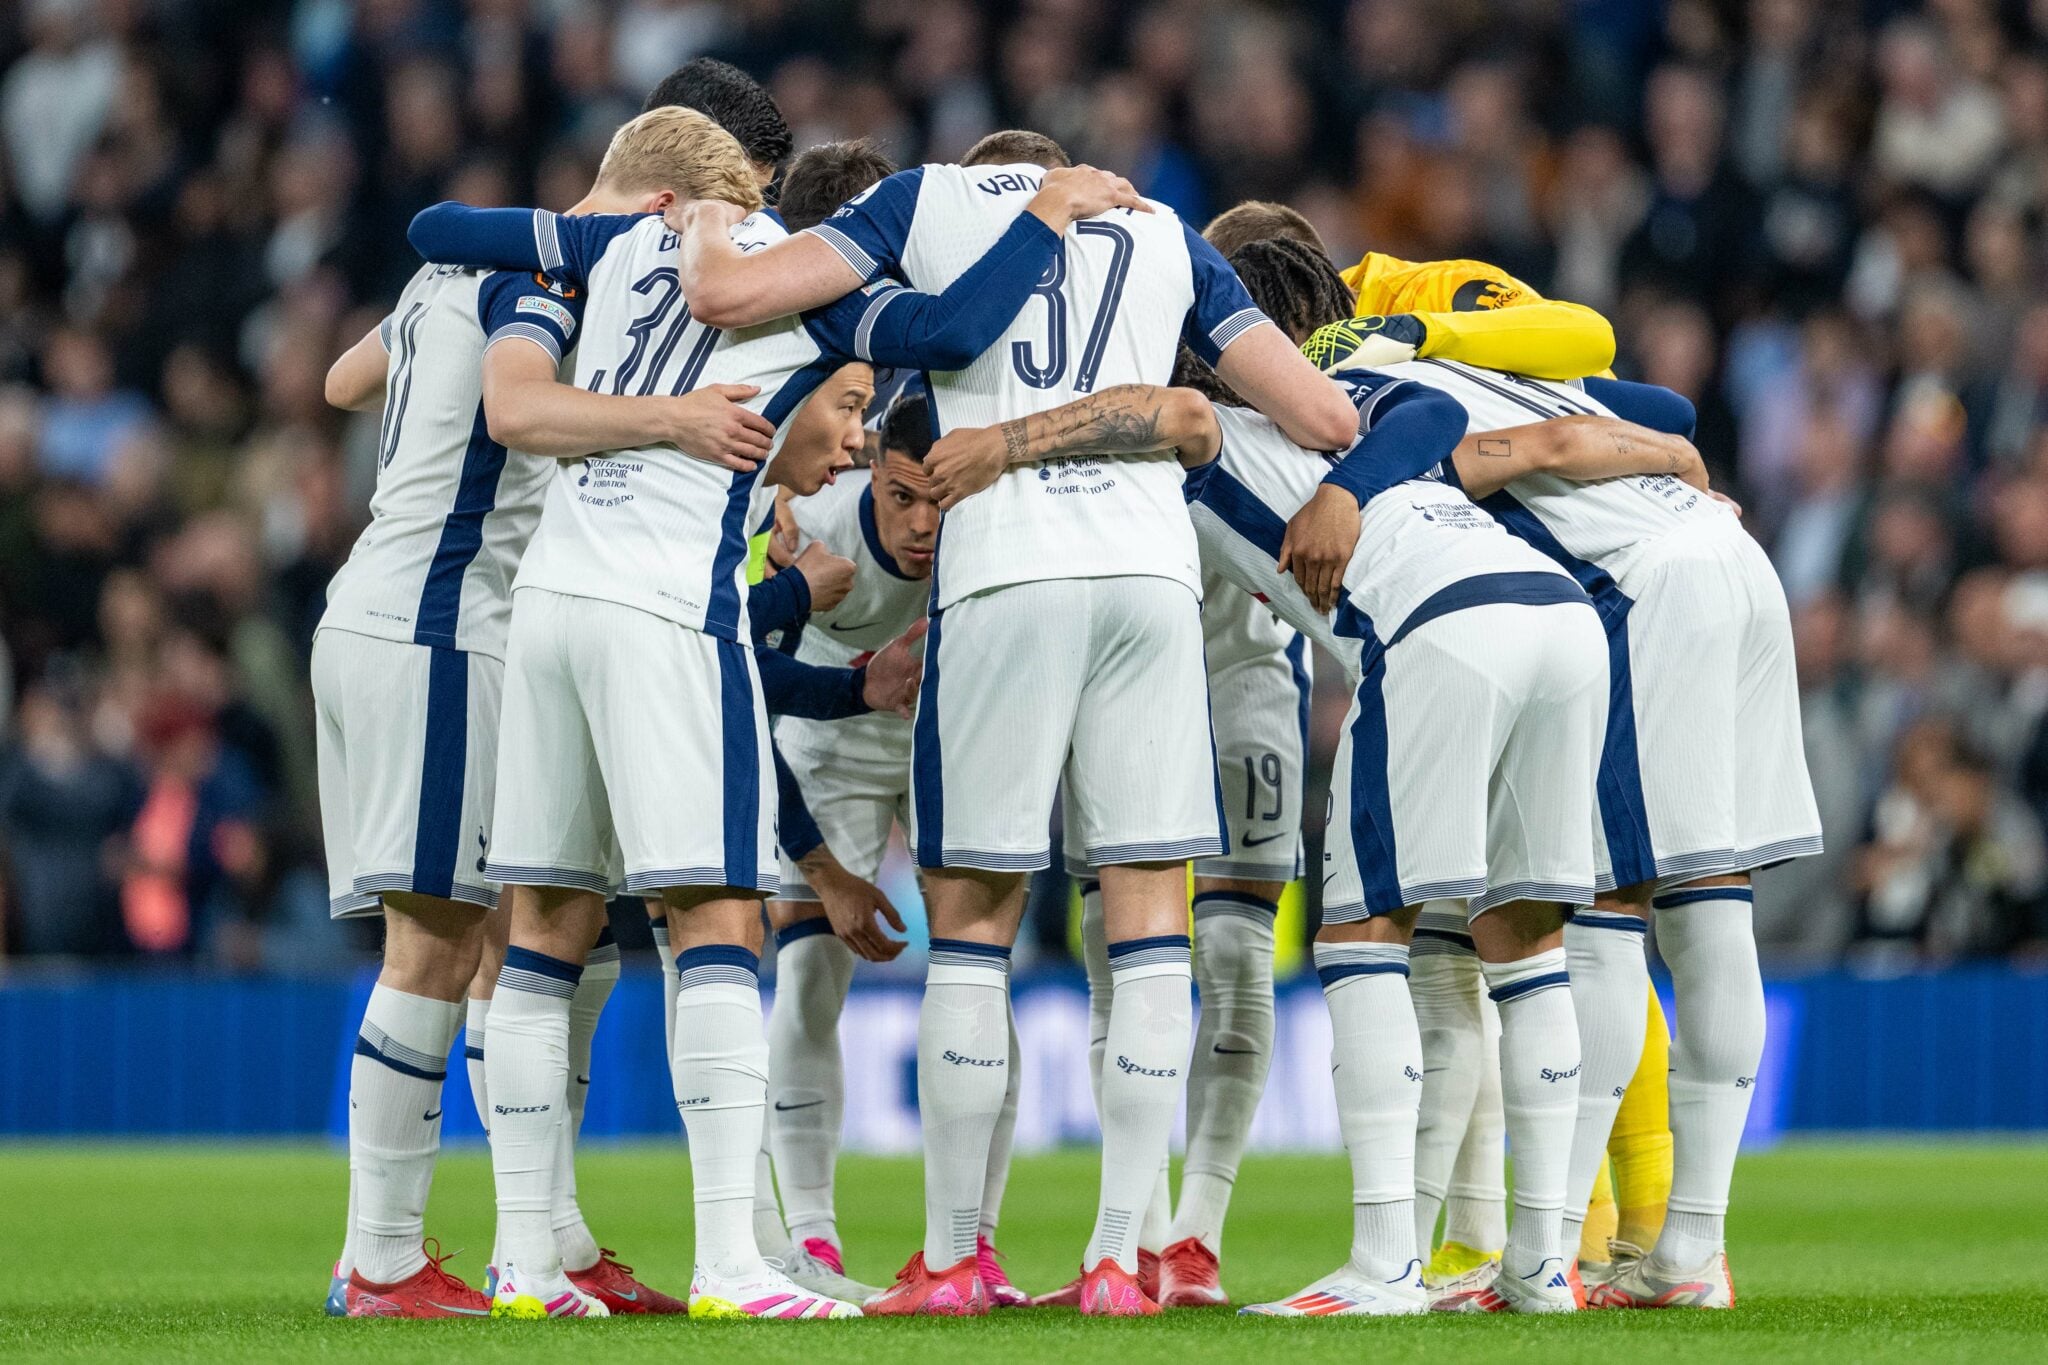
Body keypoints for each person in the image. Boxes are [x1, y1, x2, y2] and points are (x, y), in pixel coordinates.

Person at [405, 110, 1145, 1319]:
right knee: (717, 925)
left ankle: (528, 1267)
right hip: (662, 607)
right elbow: (956, 327)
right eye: (850, 408)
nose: (853, 429)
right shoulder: (805, 288)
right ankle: (731, 1268)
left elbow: (439, 225)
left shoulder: (617, 249)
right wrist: (1045, 215)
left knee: (540, 932)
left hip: (547, 606)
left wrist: (653, 219)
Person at [922, 240, 1708, 1317]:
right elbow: (1482, 437)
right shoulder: (1364, 404)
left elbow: (1180, 422)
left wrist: (1001, 443)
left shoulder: (1195, 440)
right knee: (1526, 948)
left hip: (1433, 633)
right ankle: (1538, 1268)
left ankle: (1382, 1264)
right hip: (1559, 623)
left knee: (1357, 941)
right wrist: (1658, 452)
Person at [666, 128, 1356, 1316]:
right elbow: (1322, 414)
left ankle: (948, 1262)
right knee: (1146, 917)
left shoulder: (913, 202)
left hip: (1004, 580)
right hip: (1147, 579)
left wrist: (696, 219)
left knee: (973, 925)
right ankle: (1118, 1259)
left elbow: (727, 293)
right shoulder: (1161, 232)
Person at [313, 110, 774, 1318]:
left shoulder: (450, 273)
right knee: (436, 947)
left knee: (489, 933)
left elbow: (341, 380)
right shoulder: (555, 270)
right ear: (663, 206)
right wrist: (674, 416)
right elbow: (520, 411)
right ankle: (382, 1259)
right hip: (443, 621)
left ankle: (549, 1243)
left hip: (378, 605)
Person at [1300, 286, 1823, 1314]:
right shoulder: (1500, 359)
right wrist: (1666, 459)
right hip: (1731, 558)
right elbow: (1664, 409)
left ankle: (1546, 1254)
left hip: (1634, 583)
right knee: (1710, 900)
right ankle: (1687, 1252)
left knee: (1601, 906)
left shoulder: (1349, 390)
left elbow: (1492, 447)